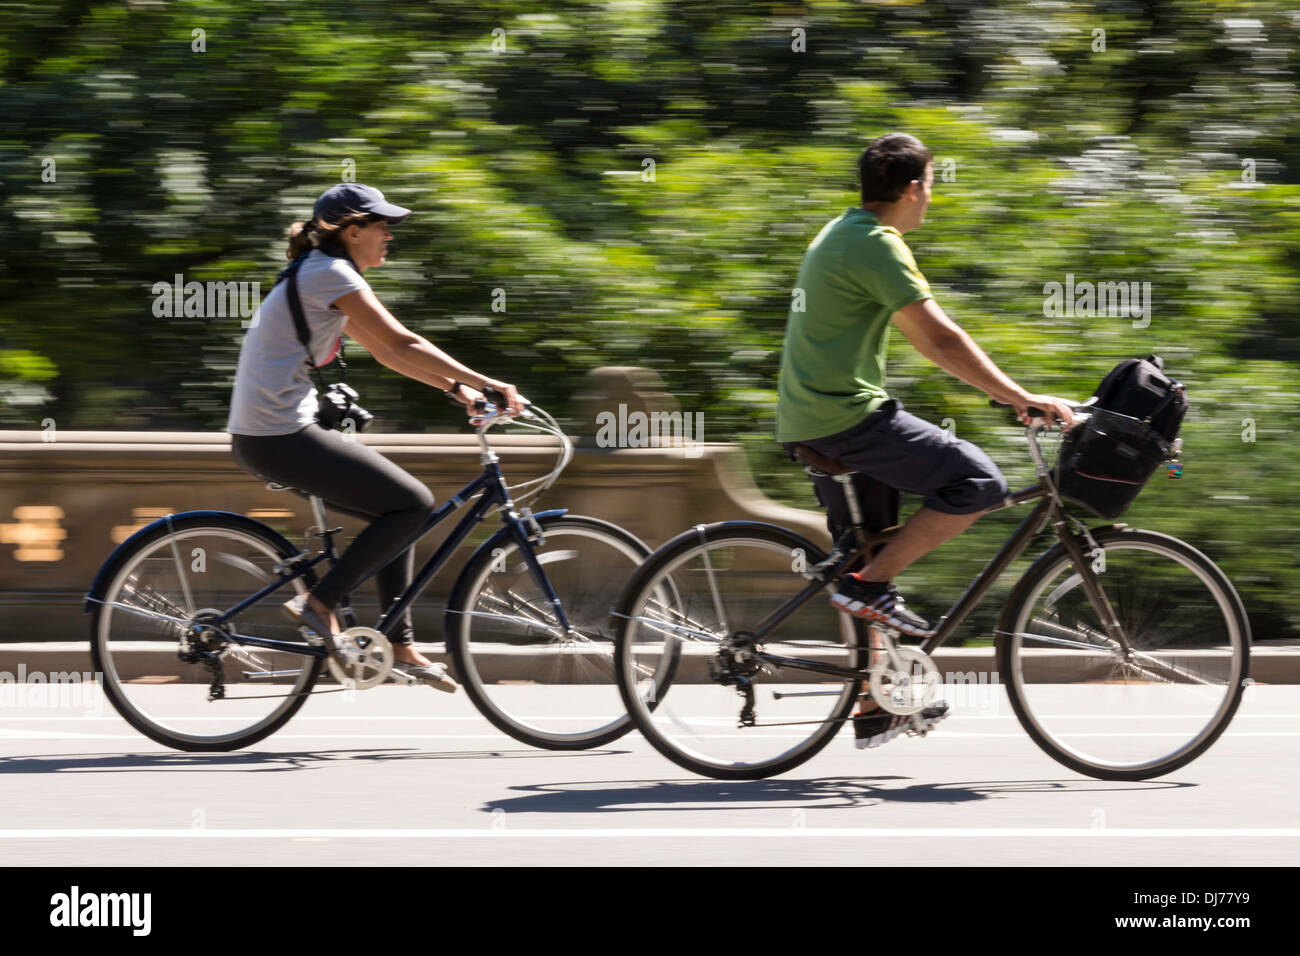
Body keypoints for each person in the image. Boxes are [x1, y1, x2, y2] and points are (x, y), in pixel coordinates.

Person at [775, 133, 1075, 748]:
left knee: (866, 551)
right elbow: (938, 340)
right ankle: (870, 588)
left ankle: (873, 704)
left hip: (812, 416)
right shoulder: (878, 246)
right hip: (844, 418)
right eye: (931, 186)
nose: (930, 199)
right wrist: (1021, 397)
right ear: (912, 188)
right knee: (979, 483)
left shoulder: (840, 230)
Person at [226, 183, 526, 692]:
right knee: (411, 504)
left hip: (271, 431)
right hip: (277, 434)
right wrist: (490, 383)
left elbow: (388, 353)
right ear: (352, 230)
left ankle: (400, 645)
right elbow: (403, 341)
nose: (389, 235)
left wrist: (455, 388)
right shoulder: (330, 273)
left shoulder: (325, 275)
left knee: (399, 515)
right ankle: (318, 602)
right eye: (382, 225)